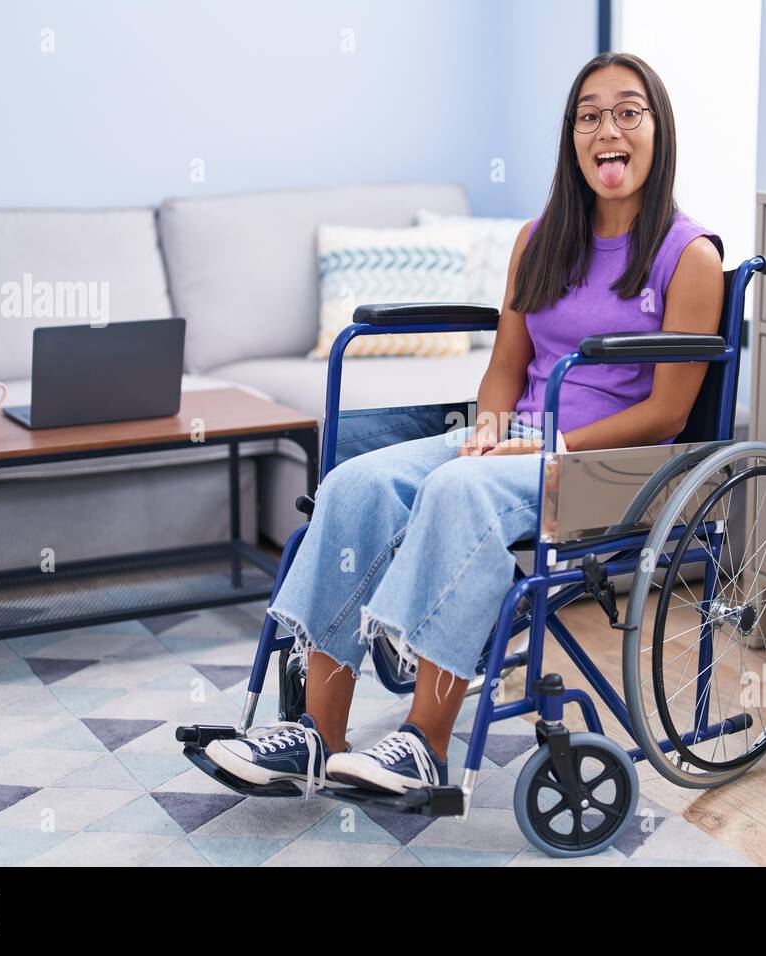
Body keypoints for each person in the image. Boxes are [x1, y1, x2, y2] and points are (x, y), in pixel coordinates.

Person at [207, 51, 725, 795]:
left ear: (658, 128)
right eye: (588, 116)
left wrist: (552, 442)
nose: (606, 130)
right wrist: (489, 425)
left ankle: (424, 742)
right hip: (518, 441)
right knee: (357, 481)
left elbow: (669, 412)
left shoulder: (690, 256)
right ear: (571, 138)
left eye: (627, 112)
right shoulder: (540, 239)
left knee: (460, 491)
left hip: (605, 466)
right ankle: (319, 735)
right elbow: (507, 366)